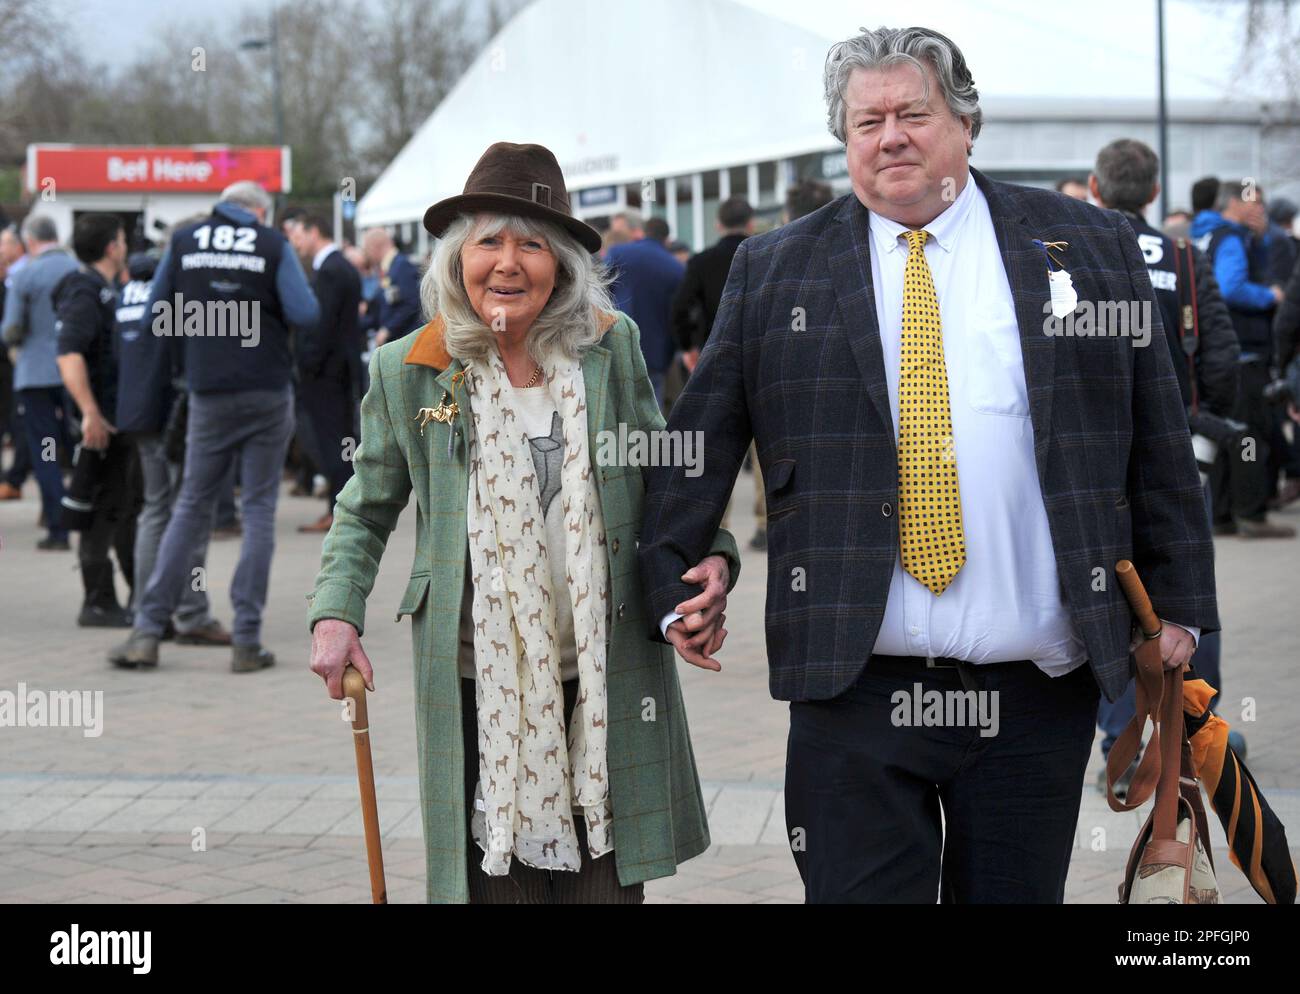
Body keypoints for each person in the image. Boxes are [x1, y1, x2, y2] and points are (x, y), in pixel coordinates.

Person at [640, 26, 1218, 904]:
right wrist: (678, 579)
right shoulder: (773, 270)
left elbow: (1157, 441)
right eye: (866, 121)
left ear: (967, 122)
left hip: (1037, 691)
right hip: (855, 691)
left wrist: (1179, 611)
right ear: (844, 142)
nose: (890, 137)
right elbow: (700, 441)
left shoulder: (1087, 248)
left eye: (914, 112)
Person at [307, 141, 739, 904]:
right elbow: (364, 506)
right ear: (455, 260)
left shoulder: (612, 347)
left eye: (532, 244)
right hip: (479, 686)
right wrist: (336, 613)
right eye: (489, 242)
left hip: (606, 681)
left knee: (607, 888)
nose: (508, 263)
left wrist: (714, 557)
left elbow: (668, 475)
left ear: (563, 264)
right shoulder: (409, 368)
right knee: (496, 888)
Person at [109, 180, 320, 672]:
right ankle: (247, 641)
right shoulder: (271, 243)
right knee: (262, 509)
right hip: (267, 391)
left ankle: (146, 632)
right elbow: (305, 312)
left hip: (208, 393)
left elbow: (156, 315)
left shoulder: (185, 242)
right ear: (259, 211)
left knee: (190, 507)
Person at [1087, 138, 1243, 788]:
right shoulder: (1184, 255)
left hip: (1098, 461)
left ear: (1096, 189)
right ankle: (1194, 731)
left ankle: (1122, 748)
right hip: (1177, 455)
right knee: (1184, 586)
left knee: (1106, 597)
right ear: (1154, 193)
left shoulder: (1077, 254)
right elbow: (1223, 359)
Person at [114, 248, 230, 647]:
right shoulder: (179, 295)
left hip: (137, 412)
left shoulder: (124, 296)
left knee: (155, 510)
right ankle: (190, 612)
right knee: (190, 513)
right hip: (175, 415)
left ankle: (146, 609)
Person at [1191, 180, 1293, 537]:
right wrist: (1270, 295)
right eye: (1253, 202)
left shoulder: (1203, 233)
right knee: (1249, 436)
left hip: (1210, 351)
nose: (1259, 209)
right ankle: (1250, 512)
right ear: (1233, 203)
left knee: (1220, 432)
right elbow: (1230, 286)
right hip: (1242, 350)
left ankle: (1221, 514)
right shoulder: (1231, 239)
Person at [53, 214, 140, 626]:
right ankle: (99, 601)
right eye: (122, 239)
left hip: (113, 419)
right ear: (112, 247)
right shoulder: (85, 291)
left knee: (117, 507)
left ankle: (118, 598)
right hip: (101, 424)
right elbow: (69, 353)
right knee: (105, 510)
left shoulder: (101, 289)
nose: (125, 245)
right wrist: (90, 413)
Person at [1, 214, 79, 549]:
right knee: (78, 446)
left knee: (45, 450)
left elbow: (12, 328)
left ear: (30, 241)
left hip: (36, 376)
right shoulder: (77, 270)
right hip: (75, 372)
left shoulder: (27, 274)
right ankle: (88, 515)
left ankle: (58, 525)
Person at [292, 213, 362, 533]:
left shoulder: (332, 270)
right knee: (337, 441)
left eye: (296, 233)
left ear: (313, 230)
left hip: (327, 375)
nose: (294, 241)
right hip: (338, 371)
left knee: (331, 443)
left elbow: (323, 326)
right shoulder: (338, 267)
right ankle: (339, 510)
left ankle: (340, 512)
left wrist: (306, 363)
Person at [603, 212, 684, 406]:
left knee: (618, 409)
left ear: (644, 232)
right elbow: (677, 315)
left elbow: (600, 292)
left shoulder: (619, 253)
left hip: (618, 342)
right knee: (652, 411)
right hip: (657, 353)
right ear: (666, 239)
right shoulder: (677, 268)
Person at [0, 225, 32, 501]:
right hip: (14, 364)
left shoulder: (20, 278)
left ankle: (15, 478)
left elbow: (12, 328)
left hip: (16, 365)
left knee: (20, 422)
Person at [362, 227, 422, 346]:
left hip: (406, 341)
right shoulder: (389, 268)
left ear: (375, 247)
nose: (367, 255)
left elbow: (412, 304)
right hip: (398, 341)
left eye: (366, 250)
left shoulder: (401, 266)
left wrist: (387, 329)